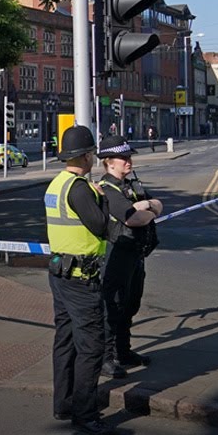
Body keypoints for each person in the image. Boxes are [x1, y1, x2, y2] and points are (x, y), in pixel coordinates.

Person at [44, 125, 117, 435]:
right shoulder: (80, 188)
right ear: (86, 156)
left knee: (65, 340)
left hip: (60, 272)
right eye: (92, 154)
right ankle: (85, 414)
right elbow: (100, 226)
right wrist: (101, 199)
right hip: (81, 278)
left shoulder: (56, 184)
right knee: (91, 347)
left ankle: (64, 403)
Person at [95, 137, 163, 376]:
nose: (128, 162)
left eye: (129, 157)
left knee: (130, 305)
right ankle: (106, 357)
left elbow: (158, 204)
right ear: (108, 162)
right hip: (116, 255)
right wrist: (146, 209)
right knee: (112, 307)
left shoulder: (129, 186)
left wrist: (148, 206)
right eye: (123, 158)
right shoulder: (108, 189)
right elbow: (131, 218)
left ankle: (124, 351)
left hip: (135, 254)